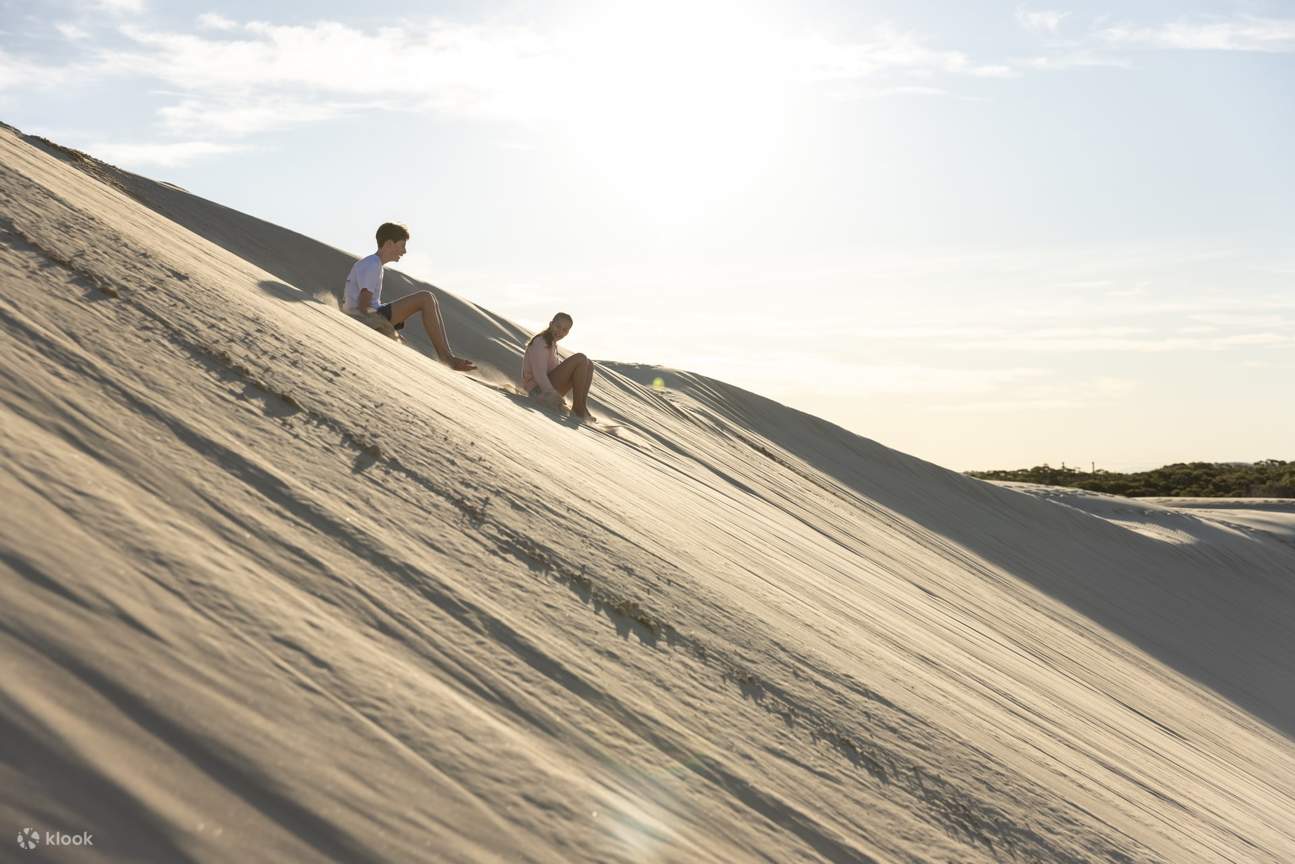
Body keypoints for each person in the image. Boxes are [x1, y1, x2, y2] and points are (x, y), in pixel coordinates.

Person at [343, 222, 476, 371]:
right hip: (366, 318)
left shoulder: (373, 264)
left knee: (430, 299)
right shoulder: (372, 264)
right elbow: (363, 306)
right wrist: (385, 328)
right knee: (425, 298)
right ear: (388, 243)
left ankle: (447, 356)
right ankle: (448, 358)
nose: (404, 251)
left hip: (373, 314)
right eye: (402, 245)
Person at [522, 312, 596, 421]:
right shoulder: (541, 342)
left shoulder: (551, 343)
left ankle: (580, 406)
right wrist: (551, 393)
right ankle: (578, 409)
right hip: (539, 391)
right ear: (551, 324)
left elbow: (555, 371)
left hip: (548, 389)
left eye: (565, 330)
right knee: (581, 358)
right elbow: (539, 374)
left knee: (588, 364)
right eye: (558, 326)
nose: (560, 331)